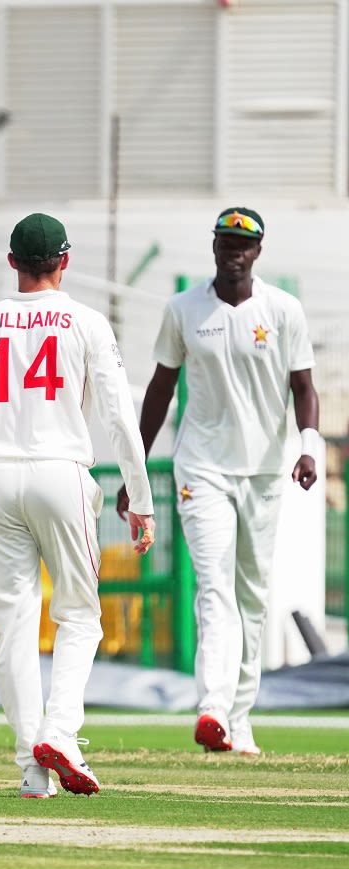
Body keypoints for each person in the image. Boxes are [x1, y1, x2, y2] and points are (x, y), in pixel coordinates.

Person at [0, 213, 155, 797]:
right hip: (61, 470)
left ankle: (31, 768)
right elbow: (119, 416)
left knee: (12, 632)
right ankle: (61, 732)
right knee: (79, 616)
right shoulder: (87, 322)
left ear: (12, 262)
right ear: (65, 262)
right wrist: (139, 499)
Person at [117, 207, 320, 756]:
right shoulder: (183, 309)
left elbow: (303, 387)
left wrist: (308, 447)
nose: (234, 251)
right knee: (213, 587)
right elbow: (160, 390)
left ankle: (241, 716)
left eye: (244, 244)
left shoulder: (283, 310)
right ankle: (211, 709)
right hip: (201, 468)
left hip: (263, 471)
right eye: (226, 241)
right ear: (213, 247)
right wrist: (135, 472)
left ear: (258, 252)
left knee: (251, 596)